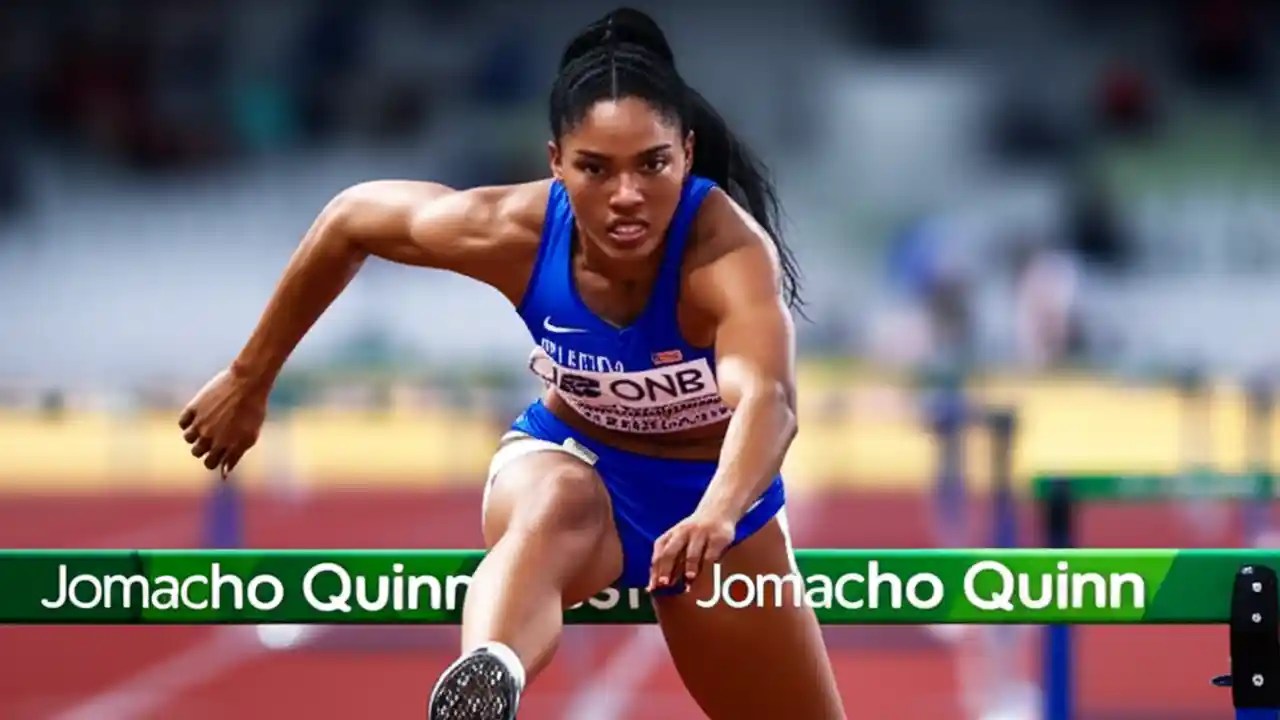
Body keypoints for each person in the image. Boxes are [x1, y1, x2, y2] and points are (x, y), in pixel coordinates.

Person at [178, 8, 846, 720]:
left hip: (715, 499)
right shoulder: (512, 230)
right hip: (575, 458)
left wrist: (716, 512)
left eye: (652, 165)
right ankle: (488, 674)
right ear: (555, 162)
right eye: (595, 168)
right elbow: (351, 218)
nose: (627, 196)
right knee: (557, 502)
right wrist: (250, 377)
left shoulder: (725, 253)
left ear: (684, 153)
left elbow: (768, 401)